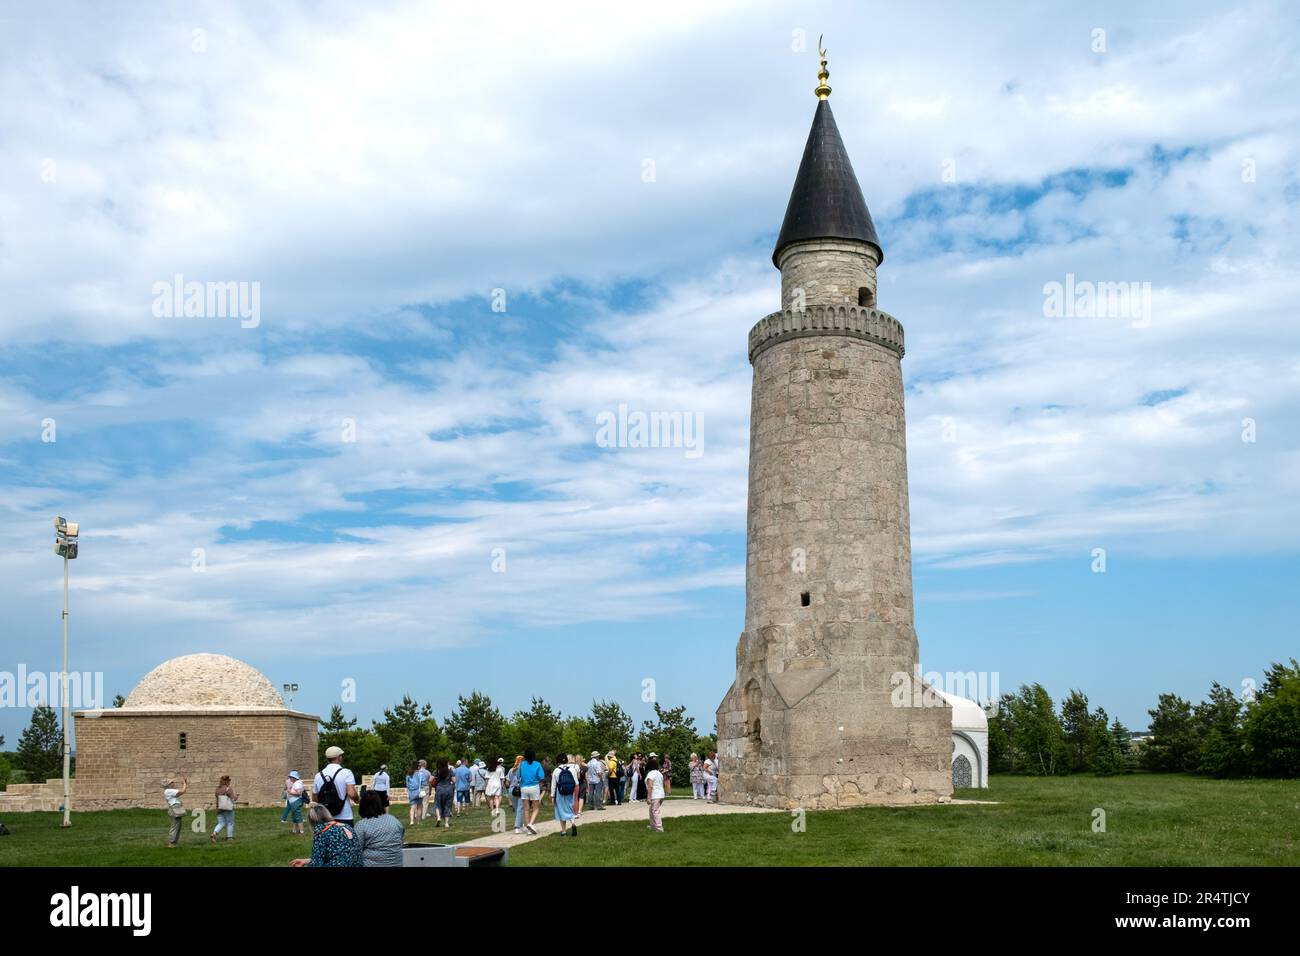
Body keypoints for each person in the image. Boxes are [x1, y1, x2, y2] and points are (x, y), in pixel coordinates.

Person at [291, 803, 361, 867]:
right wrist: (307, 861)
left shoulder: (322, 832)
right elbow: (341, 854)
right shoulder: (347, 827)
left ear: (312, 821)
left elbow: (317, 863)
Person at [354, 790, 405, 866]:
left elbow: (356, 851)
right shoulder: (394, 820)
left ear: (362, 806)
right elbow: (400, 840)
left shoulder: (361, 826)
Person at [313, 745, 358, 823]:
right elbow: (352, 794)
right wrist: (358, 800)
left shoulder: (318, 775)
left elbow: (314, 798)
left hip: (325, 815)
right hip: (344, 815)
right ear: (339, 757)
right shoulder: (346, 772)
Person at [518, 748, 546, 835]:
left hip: (524, 787)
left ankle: (528, 828)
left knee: (526, 809)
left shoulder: (521, 764)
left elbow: (518, 776)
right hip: (534, 787)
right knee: (536, 807)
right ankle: (531, 824)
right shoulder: (537, 764)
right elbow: (541, 777)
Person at [551, 752, 579, 837]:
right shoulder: (572, 769)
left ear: (558, 762)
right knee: (570, 809)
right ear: (567, 760)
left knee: (561, 811)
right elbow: (576, 783)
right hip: (570, 792)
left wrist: (552, 796)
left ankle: (563, 832)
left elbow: (554, 785)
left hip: (560, 793)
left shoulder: (556, 770)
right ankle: (573, 823)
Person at [211, 775, 239, 842]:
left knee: (221, 823)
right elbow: (233, 799)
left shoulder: (217, 789)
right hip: (228, 808)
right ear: (227, 781)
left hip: (219, 808)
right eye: (229, 781)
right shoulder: (228, 789)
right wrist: (237, 796)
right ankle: (229, 837)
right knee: (230, 823)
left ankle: (214, 833)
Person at [162, 776, 188, 847]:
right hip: (174, 809)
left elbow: (181, 791)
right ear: (168, 784)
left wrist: (184, 784)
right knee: (175, 826)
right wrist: (185, 783)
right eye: (171, 782)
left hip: (176, 809)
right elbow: (183, 791)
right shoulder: (168, 791)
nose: (173, 783)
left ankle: (174, 843)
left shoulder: (169, 790)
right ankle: (171, 843)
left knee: (177, 826)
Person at [644, 757, 665, 832]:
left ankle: (659, 827)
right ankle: (653, 825)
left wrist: (649, 797)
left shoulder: (651, 774)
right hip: (661, 794)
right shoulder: (659, 773)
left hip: (655, 795)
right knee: (652, 810)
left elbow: (650, 786)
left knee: (655, 810)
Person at [433, 758, 455, 828]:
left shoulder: (437, 771)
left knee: (437, 804)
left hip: (439, 789)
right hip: (449, 789)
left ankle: (439, 817)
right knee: (447, 806)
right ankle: (446, 823)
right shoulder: (450, 771)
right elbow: (454, 780)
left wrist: (435, 781)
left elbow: (430, 779)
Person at [507, 755, 525, 833]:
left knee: (517, 809)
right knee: (520, 809)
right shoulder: (523, 769)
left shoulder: (511, 770)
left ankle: (520, 825)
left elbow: (507, 782)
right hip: (520, 790)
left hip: (511, 791)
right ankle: (517, 827)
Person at [405, 762, 424, 826]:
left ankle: (411, 821)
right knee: (419, 807)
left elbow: (407, 785)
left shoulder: (408, 775)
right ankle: (418, 822)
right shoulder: (420, 774)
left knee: (412, 807)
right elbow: (423, 783)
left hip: (411, 792)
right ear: (417, 767)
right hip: (419, 792)